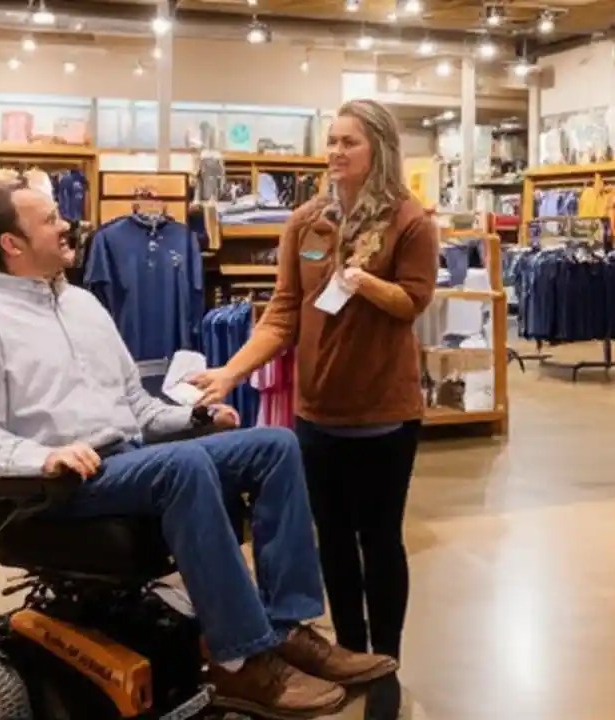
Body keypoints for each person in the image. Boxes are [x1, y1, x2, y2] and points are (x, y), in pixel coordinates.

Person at [0, 178, 398, 719]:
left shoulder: (84, 305)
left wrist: (193, 416)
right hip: (65, 485)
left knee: (274, 444)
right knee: (184, 464)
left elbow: (136, 405)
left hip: (131, 457)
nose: (67, 226)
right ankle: (240, 662)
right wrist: (46, 457)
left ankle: (285, 627)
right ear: (12, 245)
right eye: (49, 220)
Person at [192, 99, 438, 720]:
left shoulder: (410, 221)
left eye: (348, 142)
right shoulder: (305, 222)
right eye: (330, 141)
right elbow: (282, 313)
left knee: (379, 539)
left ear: (378, 148)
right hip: (316, 415)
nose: (334, 152)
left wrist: (363, 281)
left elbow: (413, 302)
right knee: (330, 540)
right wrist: (231, 371)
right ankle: (348, 651)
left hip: (385, 415)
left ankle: (388, 657)